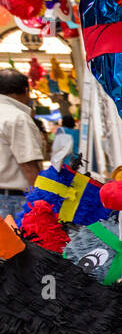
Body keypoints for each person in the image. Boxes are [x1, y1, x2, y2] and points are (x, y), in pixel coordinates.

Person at [0, 68, 46, 220]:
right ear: (26, 91)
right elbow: (28, 164)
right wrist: (42, 200)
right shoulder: (17, 117)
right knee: (20, 243)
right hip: (12, 201)